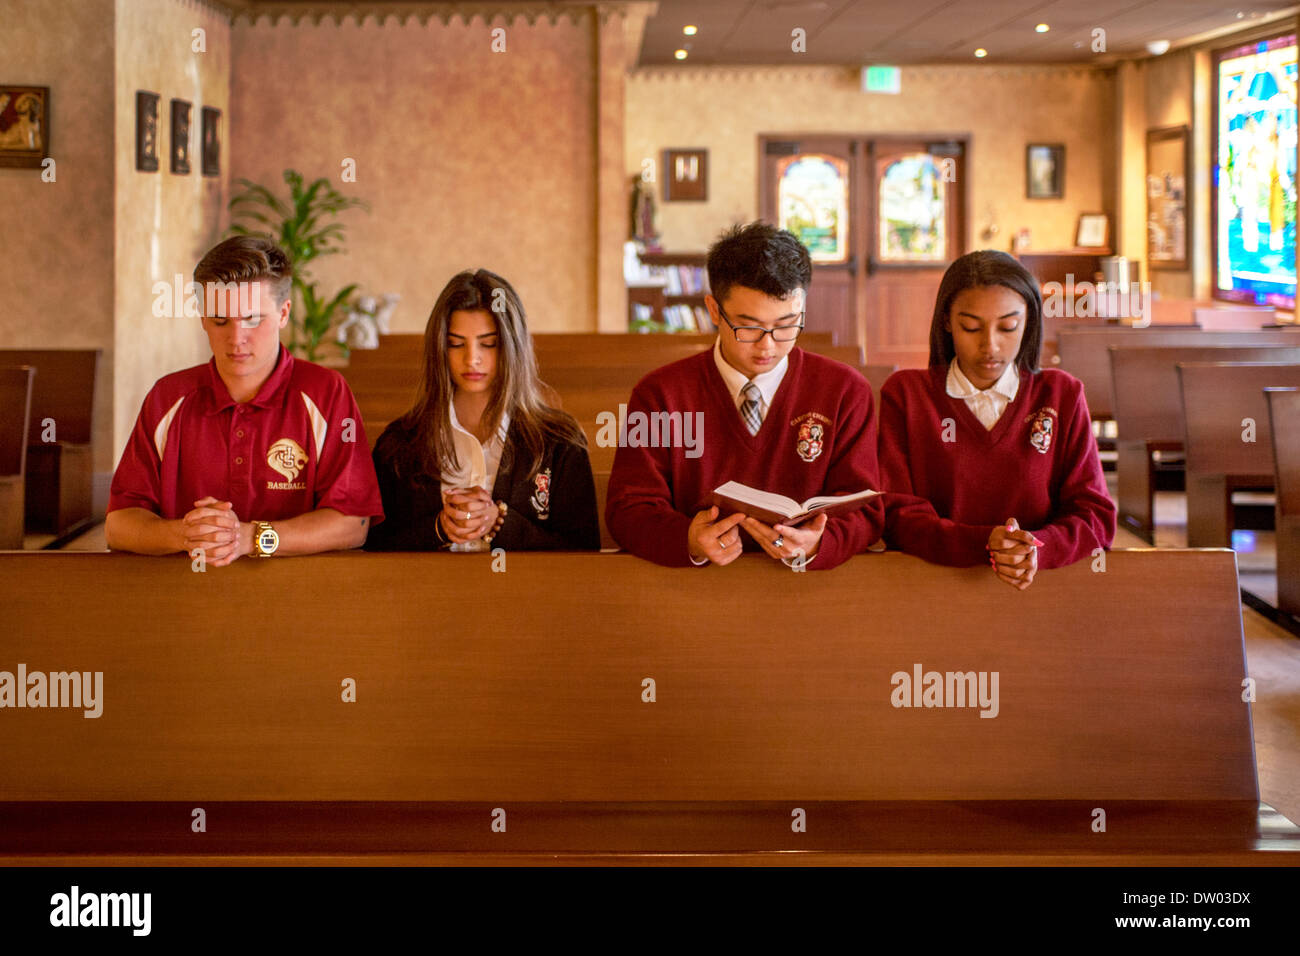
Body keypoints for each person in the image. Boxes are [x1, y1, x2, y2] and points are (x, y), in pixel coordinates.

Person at [605, 221, 884, 570]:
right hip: (691, 596)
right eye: (748, 326)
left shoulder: (844, 391)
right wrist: (688, 538)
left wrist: (818, 544)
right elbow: (628, 509)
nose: (768, 345)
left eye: (787, 324)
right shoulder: (660, 394)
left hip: (808, 595)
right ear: (713, 311)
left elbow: (867, 510)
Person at [106, 236, 383, 563]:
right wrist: (185, 534)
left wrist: (251, 538)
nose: (236, 339)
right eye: (220, 321)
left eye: (253, 319)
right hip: (185, 597)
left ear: (283, 313)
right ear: (202, 317)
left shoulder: (326, 392)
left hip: (299, 597)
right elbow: (118, 524)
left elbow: (353, 524)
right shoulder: (168, 396)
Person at [876, 249, 1116, 589]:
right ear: (946, 321)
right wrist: (984, 543)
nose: (990, 345)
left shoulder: (1061, 395)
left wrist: (1035, 550)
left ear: (1030, 320)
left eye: (1008, 327)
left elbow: (1096, 516)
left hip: (1043, 589)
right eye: (971, 327)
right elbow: (896, 515)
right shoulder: (907, 395)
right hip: (931, 586)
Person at [365, 269, 599, 552]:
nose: (472, 358)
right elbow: (373, 547)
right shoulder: (399, 444)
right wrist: (438, 528)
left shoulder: (560, 441)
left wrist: (500, 523)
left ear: (512, 347)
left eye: (488, 344)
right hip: (424, 595)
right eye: (456, 344)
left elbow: (583, 553)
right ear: (439, 348)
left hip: (528, 597)